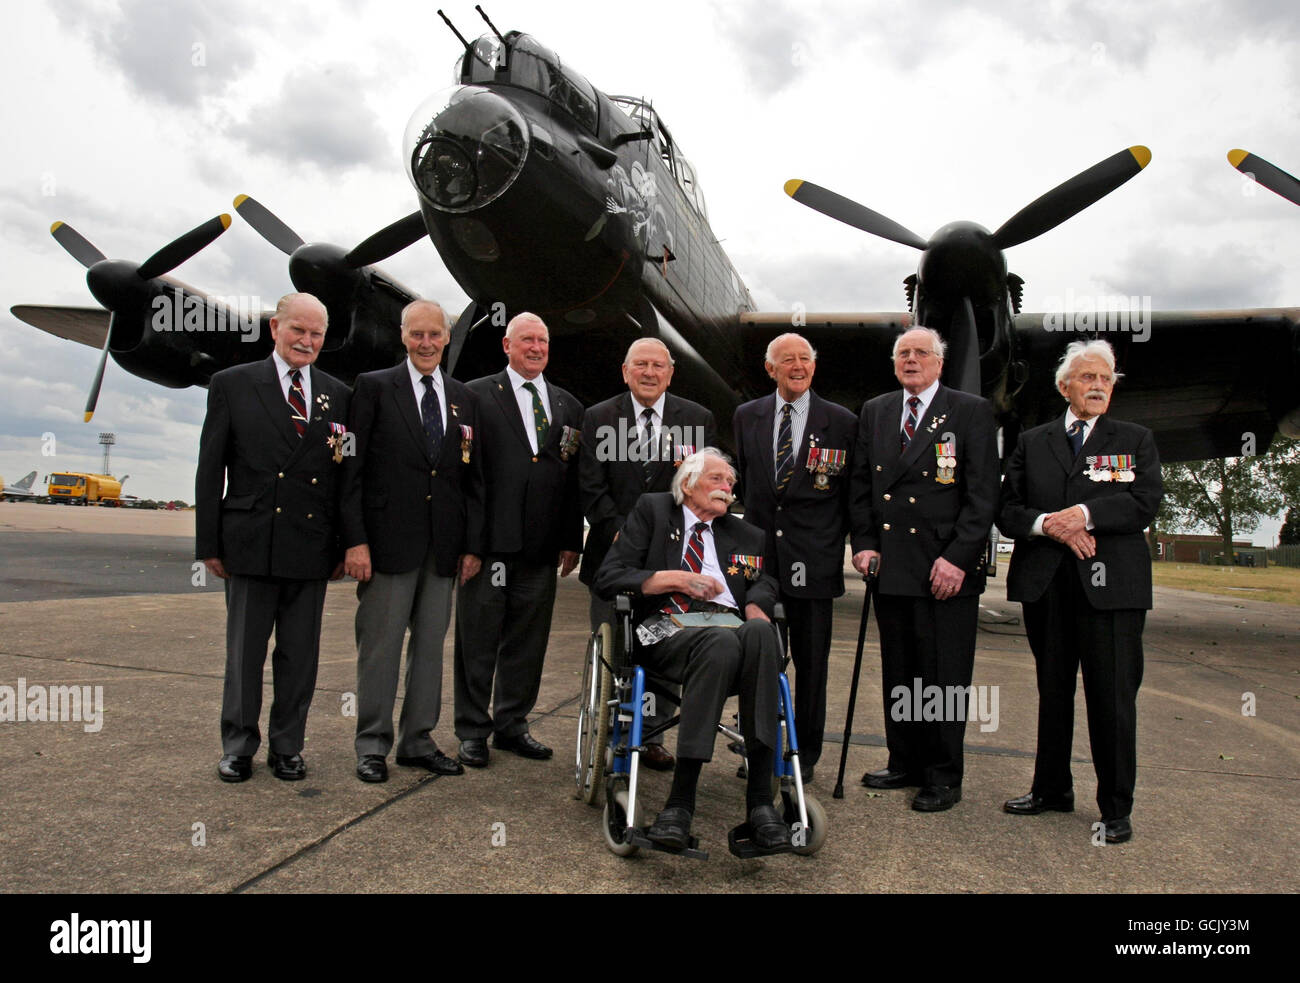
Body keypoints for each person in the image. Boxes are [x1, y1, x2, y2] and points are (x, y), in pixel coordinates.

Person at [997, 339, 1162, 844]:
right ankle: (1051, 789)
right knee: (1053, 692)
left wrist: (1086, 515)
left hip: (1110, 591)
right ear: (1064, 385)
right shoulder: (1033, 440)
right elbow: (1008, 509)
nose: (1097, 386)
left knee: (1112, 698)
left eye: (1105, 380)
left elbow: (1144, 500)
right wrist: (1051, 524)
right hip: (1047, 585)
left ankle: (1115, 808)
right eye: (1087, 378)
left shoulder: (1135, 439)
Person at [594, 449, 790, 850]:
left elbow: (766, 581)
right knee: (718, 639)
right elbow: (609, 577)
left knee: (761, 635)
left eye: (731, 483)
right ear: (687, 485)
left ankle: (759, 805)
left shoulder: (746, 534)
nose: (727, 488)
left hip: (732, 630)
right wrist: (673, 579)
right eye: (717, 479)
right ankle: (679, 804)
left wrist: (756, 604)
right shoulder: (653, 512)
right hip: (666, 626)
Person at [196, 292, 351, 783]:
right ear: (274, 329)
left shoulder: (338, 394)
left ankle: (288, 746)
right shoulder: (232, 385)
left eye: (316, 334)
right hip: (249, 540)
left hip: (310, 545)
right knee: (244, 654)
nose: (307, 341)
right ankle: (238, 745)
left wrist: (344, 542)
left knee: (299, 656)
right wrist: (209, 544)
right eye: (298, 330)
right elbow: (209, 469)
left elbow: (345, 477)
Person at [848, 326, 999, 811]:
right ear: (894, 363)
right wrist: (864, 544)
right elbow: (859, 484)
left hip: (944, 570)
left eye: (921, 353)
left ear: (939, 362)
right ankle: (905, 760)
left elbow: (982, 496)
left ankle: (942, 775)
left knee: (943, 678)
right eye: (903, 353)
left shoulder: (969, 410)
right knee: (901, 672)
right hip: (892, 567)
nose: (911, 360)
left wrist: (957, 559)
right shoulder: (877, 410)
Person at [340, 300, 482, 783]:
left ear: (446, 338)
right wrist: (355, 541)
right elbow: (351, 471)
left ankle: (418, 741)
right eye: (417, 334)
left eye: (435, 335)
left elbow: (471, 480)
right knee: (379, 648)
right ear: (403, 336)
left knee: (429, 649)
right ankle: (372, 745)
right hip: (386, 545)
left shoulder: (464, 398)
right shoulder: (375, 388)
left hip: (442, 548)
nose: (426, 343)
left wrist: (471, 546)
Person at [579, 337, 716, 771]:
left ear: (671, 373)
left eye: (658, 365)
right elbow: (590, 487)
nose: (650, 373)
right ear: (626, 371)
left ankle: (651, 736)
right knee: (615, 651)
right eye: (641, 364)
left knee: (659, 648)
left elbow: (701, 489)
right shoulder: (599, 418)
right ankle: (612, 736)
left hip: (672, 563)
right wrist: (627, 535)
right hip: (612, 559)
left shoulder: (696, 420)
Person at [453, 313, 584, 766]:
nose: (535, 347)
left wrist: (571, 540)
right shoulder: (474, 395)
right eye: (526, 339)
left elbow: (571, 482)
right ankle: (472, 730)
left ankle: (512, 725)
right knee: (477, 642)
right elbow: (463, 476)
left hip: (541, 549)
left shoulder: (568, 405)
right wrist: (469, 544)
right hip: (489, 547)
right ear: (506, 345)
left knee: (528, 646)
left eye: (542, 340)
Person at [733, 332, 856, 781]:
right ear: (771, 369)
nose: (797, 366)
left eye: (805, 359)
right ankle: (759, 749)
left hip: (815, 561)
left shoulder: (841, 421)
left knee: (811, 663)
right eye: (788, 360)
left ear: (814, 367)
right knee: (758, 658)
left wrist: (852, 544)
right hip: (760, 560)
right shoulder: (748, 416)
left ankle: (802, 755)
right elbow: (748, 486)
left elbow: (850, 496)